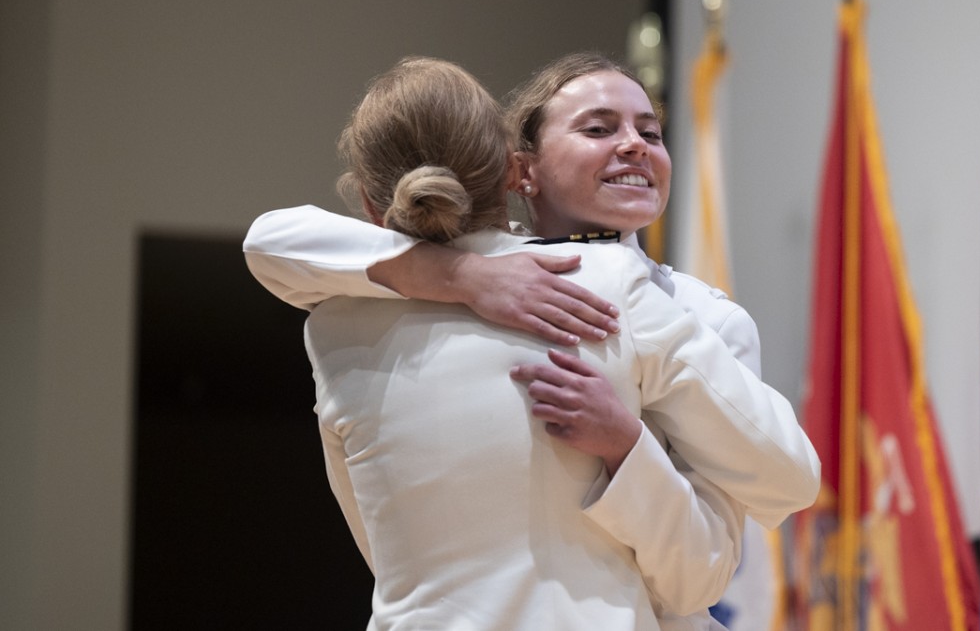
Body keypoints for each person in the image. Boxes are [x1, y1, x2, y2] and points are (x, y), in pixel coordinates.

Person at [245, 53, 799, 629]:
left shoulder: (709, 317)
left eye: (651, 131)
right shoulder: (410, 284)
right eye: (598, 128)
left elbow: (699, 577)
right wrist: (464, 277)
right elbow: (272, 240)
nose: (635, 144)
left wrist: (627, 448)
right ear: (520, 170)